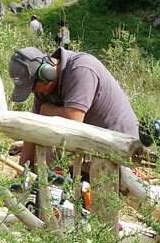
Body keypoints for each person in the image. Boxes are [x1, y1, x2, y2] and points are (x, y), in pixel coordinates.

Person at [8, 46, 139, 168]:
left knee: (50, 152)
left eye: (32, 87)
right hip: (89, 145)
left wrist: (46, 110)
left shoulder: (81, 69)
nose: (33, 92)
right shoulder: (43, 88)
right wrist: (22, 174)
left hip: (120, 149)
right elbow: (32, 129)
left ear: (46, 73)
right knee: (39, 162)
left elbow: (71, 127)